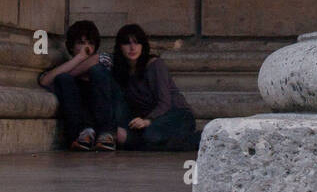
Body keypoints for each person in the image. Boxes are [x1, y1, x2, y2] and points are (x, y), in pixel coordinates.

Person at [111, 24, 201, 152]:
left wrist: (148, 121)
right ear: (120, 47)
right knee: (145, 139)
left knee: (150, 137)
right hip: (151, 123)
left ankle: (200, 139)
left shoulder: (155, 65)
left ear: (143, 46)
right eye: (127, 43)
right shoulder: (121, 71)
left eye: (137, 43)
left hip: (176, 115)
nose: (132, 48)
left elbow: (165, 102)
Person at [37, 20, 118, 151]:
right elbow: (45, 81)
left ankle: (105, 134)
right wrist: (79, 58)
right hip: (81, 126)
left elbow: (99, 59)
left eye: (90, 43)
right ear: (71, 46)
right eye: (81, 43)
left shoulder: (103, 60)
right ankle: (83, 135)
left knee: (96, 71)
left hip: (104, 122)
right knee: (63, 78)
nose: (87, 48)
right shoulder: (66, 71)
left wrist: (77, 64)